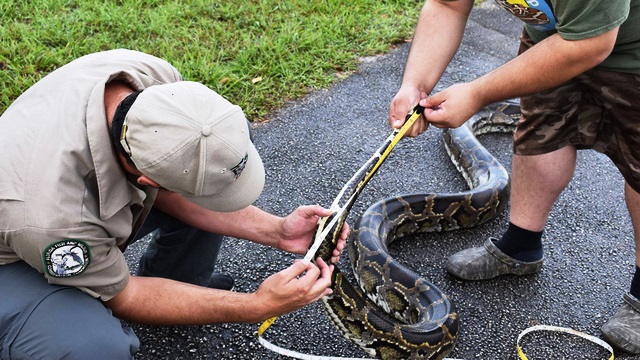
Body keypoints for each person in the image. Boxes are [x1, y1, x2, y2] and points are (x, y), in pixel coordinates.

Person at [0, 49, 348, 359]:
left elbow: (175, 164)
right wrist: (255, 305)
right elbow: (126, 297)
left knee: (216, 153)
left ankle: (177, 286)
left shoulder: (149, 76)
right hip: (16, 252)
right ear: (147, 182)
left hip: (58, 205)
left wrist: (278, 231)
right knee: (93, 345)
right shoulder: (54, 221)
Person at [388, 0, 640, 354]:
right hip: (553, 41)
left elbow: (589, 44)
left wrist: (477, 93)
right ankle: (520, 246)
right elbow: (447, 4)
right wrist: (414, 84)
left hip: (630, 50)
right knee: (541, 134)